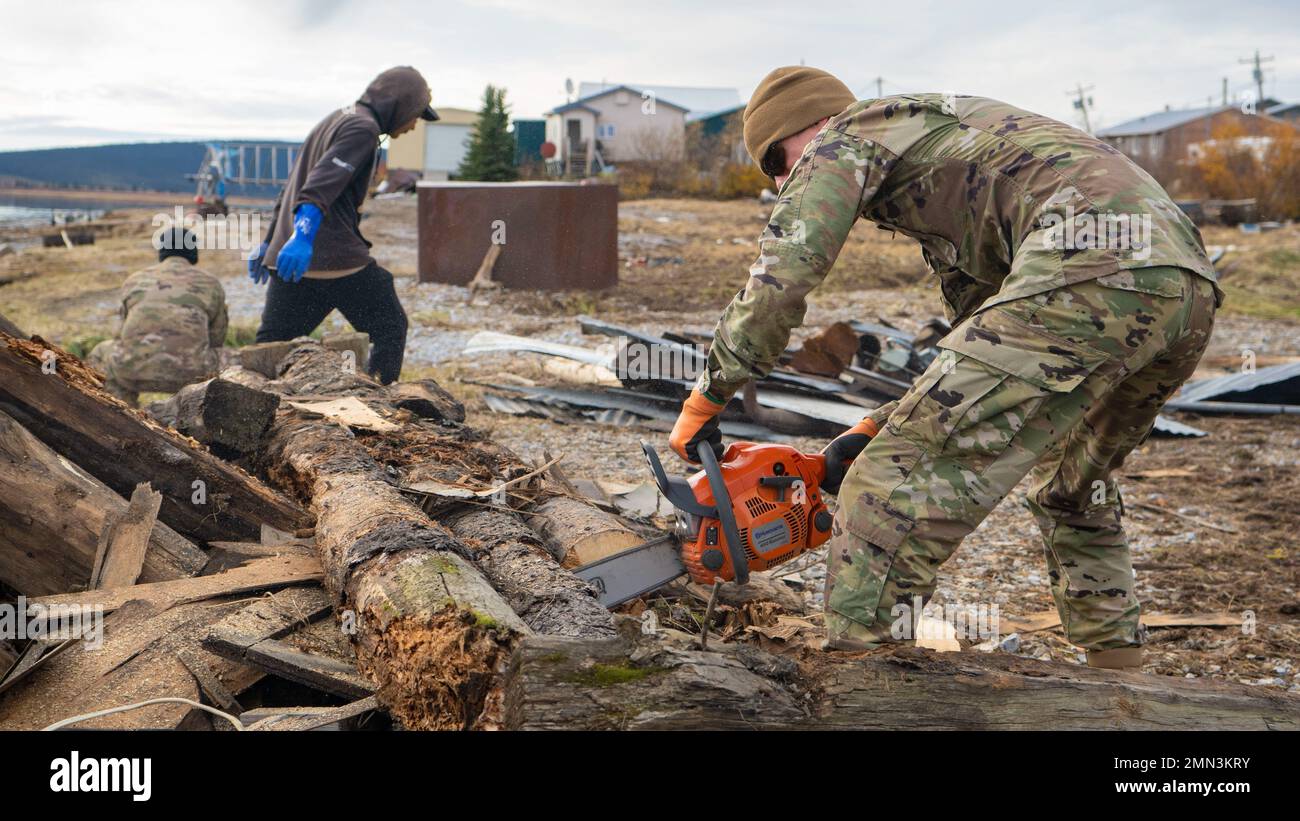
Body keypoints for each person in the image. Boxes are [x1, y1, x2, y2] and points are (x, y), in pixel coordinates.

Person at [668, 67, 1221, 669]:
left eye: (776, 161)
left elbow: (782, 277)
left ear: (812, 123)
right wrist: (878, 425)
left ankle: (867, 689)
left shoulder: (845, 135)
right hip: (1185, 286)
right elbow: (978, 347)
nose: (781, 182)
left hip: (1089, 265)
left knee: (884, 491)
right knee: (1073, 488)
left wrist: (707, 396)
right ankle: (1124, 690)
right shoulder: (940, 155)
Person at [248, 66, 439, 384]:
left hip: (292, 259)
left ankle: (252, 397)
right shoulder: (363, 129)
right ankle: (379, 396)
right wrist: (302, 238)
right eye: (416, 116)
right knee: (390, 326)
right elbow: (316, 188)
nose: (413, 125)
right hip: (331, 257)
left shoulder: (337, 117)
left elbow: (292, 184)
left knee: (271, 348)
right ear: (400, 106)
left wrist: (272, 241)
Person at [90, 227, 227, 406]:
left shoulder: (134, 280)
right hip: (194, 374)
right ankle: (201, 410)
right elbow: (217, 338)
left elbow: (120, 334)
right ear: (193, 251)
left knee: (99, 353)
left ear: (162, 250)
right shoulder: (211, 283)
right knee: (230, 360)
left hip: (132, 372)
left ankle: (122, 409)